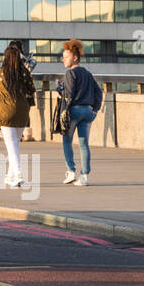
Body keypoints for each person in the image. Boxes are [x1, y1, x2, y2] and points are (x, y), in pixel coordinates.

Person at [0, 42, 35, 187]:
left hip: (5, 112)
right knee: (15, 144)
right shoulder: (24, 72)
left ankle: (19, 173)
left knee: (11, 144)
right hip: (22, 112)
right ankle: (10, 176)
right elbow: (31, 89)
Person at [58, 38, 102, 186]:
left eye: (66, 56)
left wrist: (60, 89)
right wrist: (95, 109)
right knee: (84, 144)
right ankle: (84, 176)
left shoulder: (70, 73)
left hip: (74, 111)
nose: (63, 59)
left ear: (75, 57)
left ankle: (71, 171)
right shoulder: (88, 74)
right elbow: (98, 92)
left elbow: (68, 94)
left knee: (67, 141)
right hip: (87, 111)